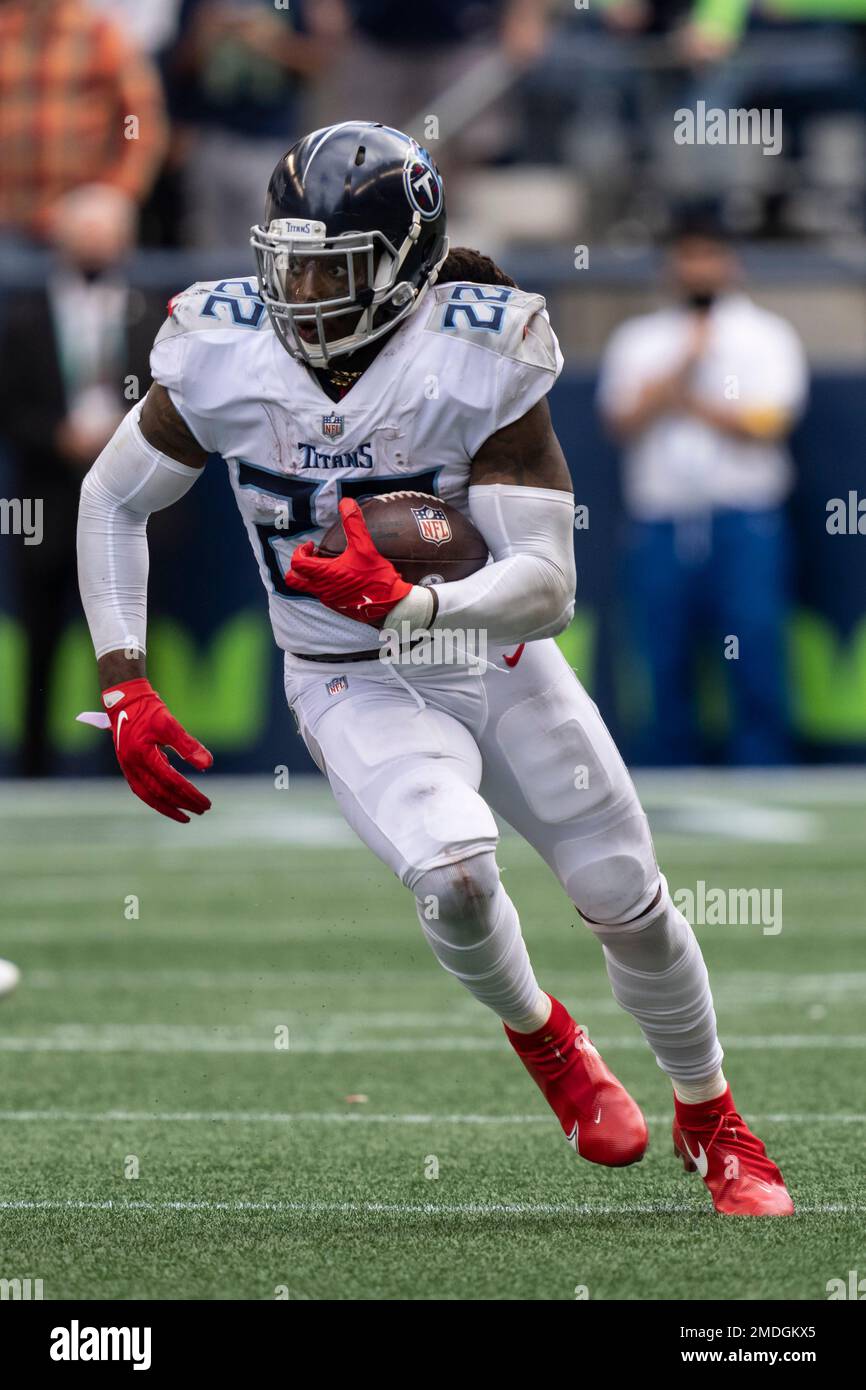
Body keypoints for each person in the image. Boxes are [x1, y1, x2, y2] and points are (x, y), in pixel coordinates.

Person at [76, 122, 793, 1215]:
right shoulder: (221, 344)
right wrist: (122, 675)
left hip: (486, 650)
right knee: (455, 877)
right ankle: (547, 1041)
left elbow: (545, 581)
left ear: (403, 264)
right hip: (343, 669)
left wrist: (420, 601)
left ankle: (712, 1116)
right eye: (285, 258)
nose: (298, 289)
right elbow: (110, 497)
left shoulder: (475, 346)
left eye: (330, 266)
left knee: (624, 896)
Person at [598, 208, 808, 765]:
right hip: (661, 524)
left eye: (709, 254)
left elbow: (768, 424)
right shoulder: (639, 338)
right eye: (687, 255)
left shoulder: (765, 335)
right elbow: (620, 422)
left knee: (755, 647)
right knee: (662, 658)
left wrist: (682, 395)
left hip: (743, 521)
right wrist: (680, 367)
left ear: (730, 262)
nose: (698, 267)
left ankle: (765, 771)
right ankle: (668, 778)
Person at [0, 186, 165, 776]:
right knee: (41, 632)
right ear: (62, 238)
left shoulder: (156, 314)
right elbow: (12, 407)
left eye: (106, 230)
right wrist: (56, 436)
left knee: (135, 636)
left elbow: (176, 407)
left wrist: (121, 438)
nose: (96, 243)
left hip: (132, 502)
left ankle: (135, 756)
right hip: (48, 497)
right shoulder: (25, 316)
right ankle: (34, 764)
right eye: (85, 230)